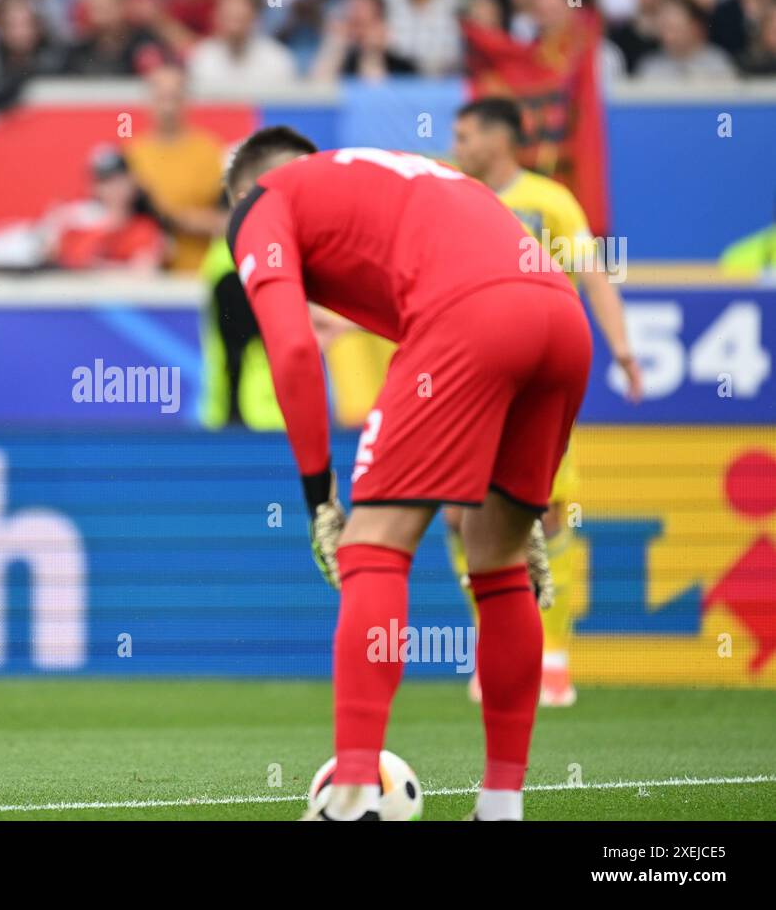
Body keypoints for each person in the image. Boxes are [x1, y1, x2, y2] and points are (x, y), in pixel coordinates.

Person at [225, 128, 591, 821]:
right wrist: (520, 496)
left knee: (372, 546)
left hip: (475, 316)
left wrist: (319, 496)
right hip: (562, 323)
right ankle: (501, 804)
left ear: (243, 192)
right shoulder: (410, 175)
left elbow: (295, 349)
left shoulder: (263, 201)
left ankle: (354, 795)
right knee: (500, 560)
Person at [450, 97, 642, 707]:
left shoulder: (548, 202)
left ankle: (553, 654)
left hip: (534, 384)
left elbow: (593, 277)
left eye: (464, 134)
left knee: (545, 513)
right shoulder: (451, 197)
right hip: (465, 380)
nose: (456, 145)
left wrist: (623, 347)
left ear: (498, 139)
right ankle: (494, 648)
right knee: (461, 514)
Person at [123, 63, 225, 274]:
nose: (168, 107)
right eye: (161, 98)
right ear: (148, 102)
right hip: (148, 274)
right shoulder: (133, 155)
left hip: (201, 271)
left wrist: (176, 218)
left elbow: (229, 219)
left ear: (187, 102)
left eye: (175, 98)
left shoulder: (208, 151)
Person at [187, 0, 297, 88]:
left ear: (255, 16)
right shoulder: (202, 58)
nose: (235, 12)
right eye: (228, 8)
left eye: (241, 8)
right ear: (216, 15)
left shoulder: (277, 59)